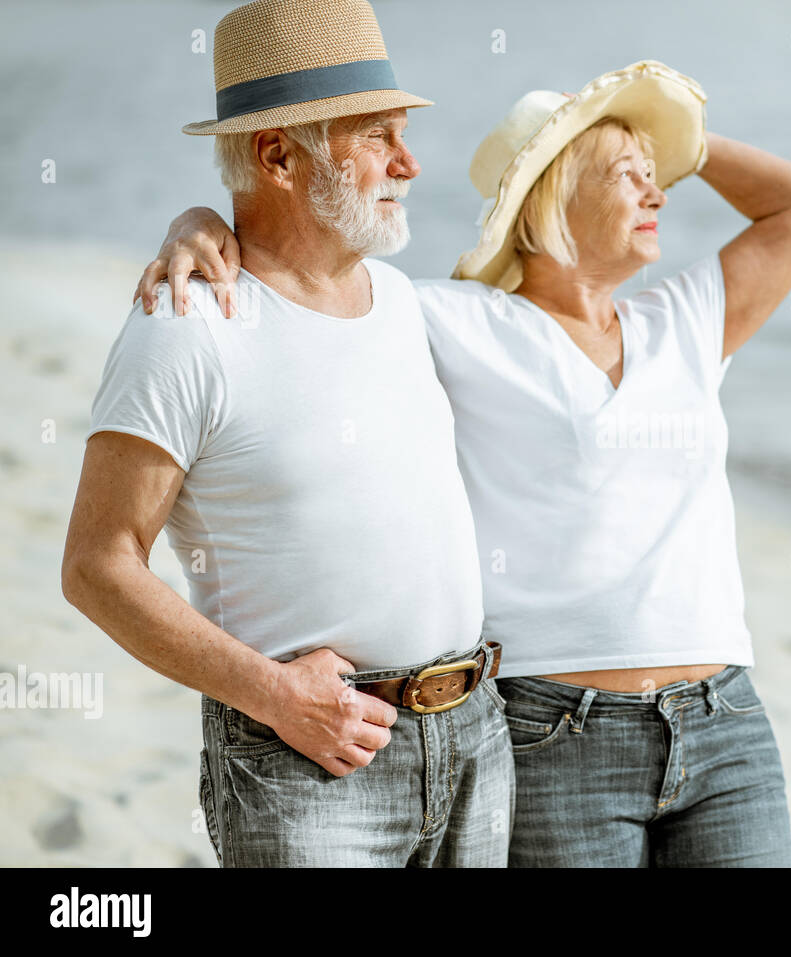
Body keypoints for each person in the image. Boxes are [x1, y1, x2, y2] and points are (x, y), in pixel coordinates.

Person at [136, 60, 791, 866]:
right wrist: (198, 223)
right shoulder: (452, 320)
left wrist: (680, 140)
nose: (658, 194)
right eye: (627, 174)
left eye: (658, 175)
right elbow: (305, 280)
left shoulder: (688, 321)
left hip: (723, 719)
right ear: (552, 194)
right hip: (557, 728)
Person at [63, 0, 512, 868]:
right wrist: (274, 694)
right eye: (377, 136)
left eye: (403, 133)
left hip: (474, 737)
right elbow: (96, 563)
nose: (410, 162)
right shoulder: (184, 328)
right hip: (308, 758)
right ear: (277, 155)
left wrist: (194, 217)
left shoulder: (404, 302)